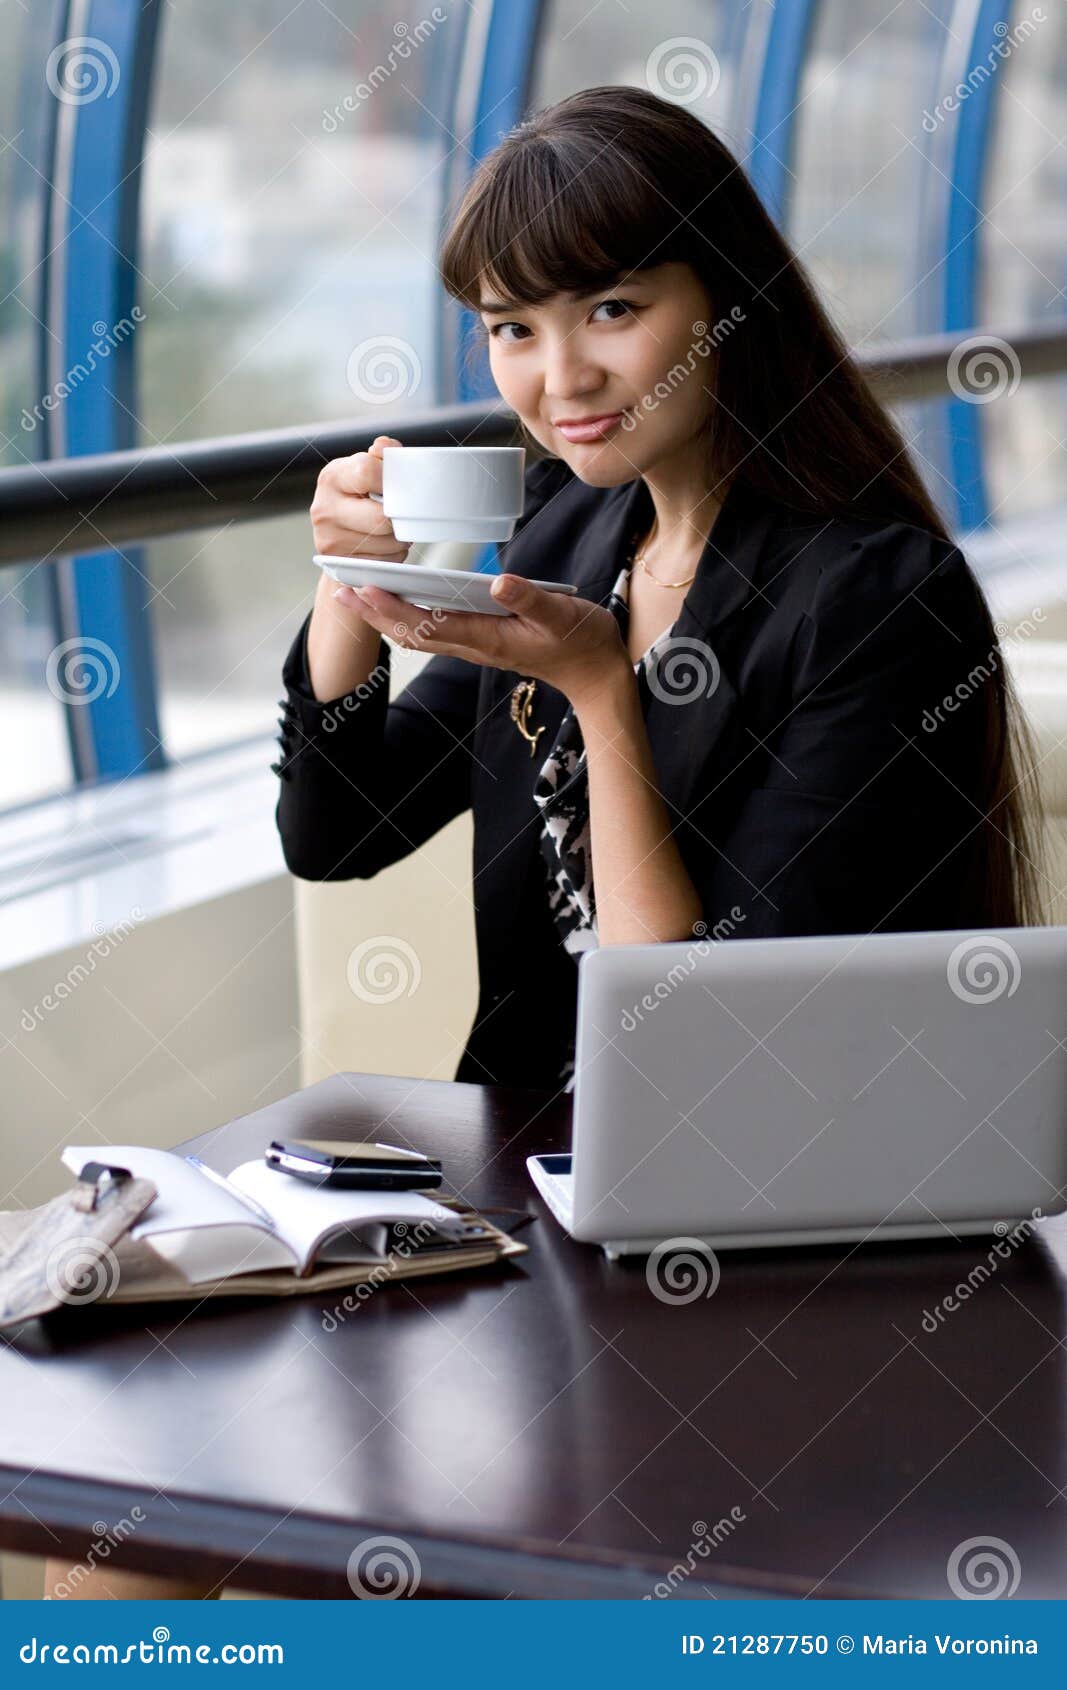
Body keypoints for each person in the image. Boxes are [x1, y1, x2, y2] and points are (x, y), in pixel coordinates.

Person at [47, 81, 1044, 1602]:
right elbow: (342, 831)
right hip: (520, 1225)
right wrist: (344, 602)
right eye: (510, 326)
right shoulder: (582, 536)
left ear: (729, 302)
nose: (555, 375)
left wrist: (599, 694)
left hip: (774, 1273)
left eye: (611, 308)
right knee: (115, 1543)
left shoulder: (875, 600)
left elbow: (716, 1061)